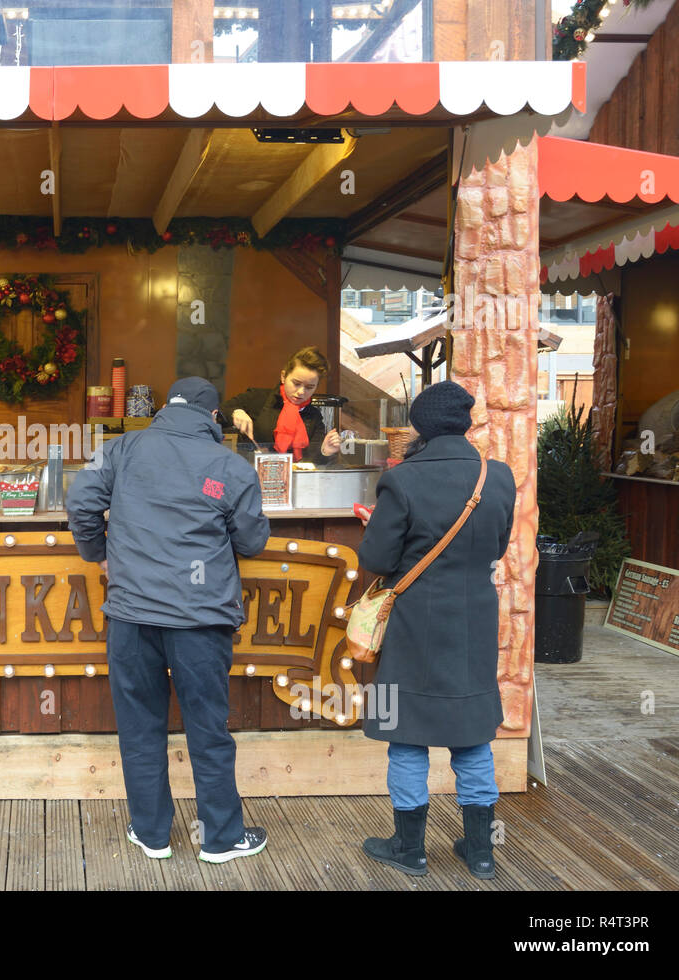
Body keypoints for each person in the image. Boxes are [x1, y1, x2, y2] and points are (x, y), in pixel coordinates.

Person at [67, 377, 272, 864]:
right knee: (208, 727)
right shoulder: (231, 466)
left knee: (139, 726)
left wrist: (99, 553)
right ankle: (220, 838)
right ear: (213, 416)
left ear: (165, 408)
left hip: (132, 615)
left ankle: (152, 834)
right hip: (200, 621)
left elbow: (80, 503)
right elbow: (253, 541)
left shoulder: (121, 448)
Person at [354, 379, 516, 880]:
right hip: (474, 621)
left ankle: (410, 849)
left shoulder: (401, 480)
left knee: (406, 735)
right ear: (465, 423)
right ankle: (481, 851)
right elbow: (498, 544)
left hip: (412, 624)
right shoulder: (499, 476)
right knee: (472, 736)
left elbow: (379, 559)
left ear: (419, 427)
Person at [221, 345, 341, 465]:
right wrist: (236, 412)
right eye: (296, 383)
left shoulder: (313, 416)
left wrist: (325, 451)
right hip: (253, 474)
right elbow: (218, 411)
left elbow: (312, 462)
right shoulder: (258, 398)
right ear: (283, 377)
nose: (301, 392)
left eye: (309, 387)